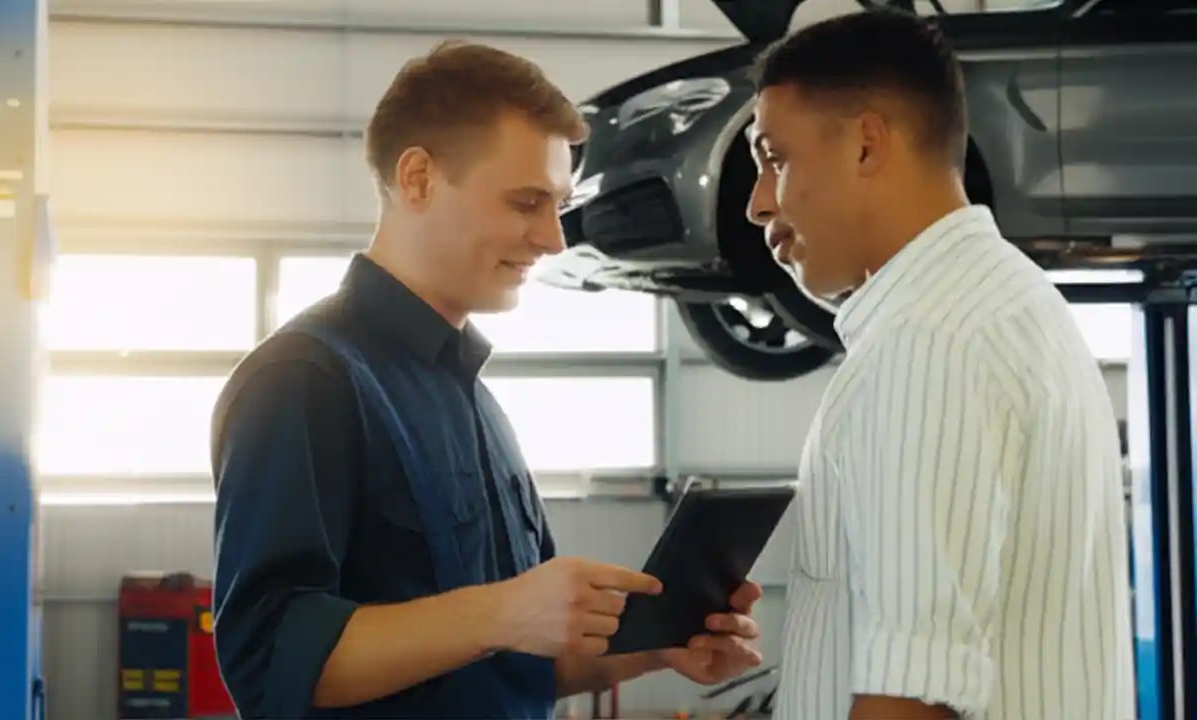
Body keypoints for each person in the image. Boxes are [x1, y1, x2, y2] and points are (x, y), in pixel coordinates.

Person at [209, 40, 764, 719]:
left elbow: (514, 663)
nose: (553, 239)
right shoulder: (304, 381)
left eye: (557, 205)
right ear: (417, 179)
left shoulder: (475, 401)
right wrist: (499, 611)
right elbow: (269, 664)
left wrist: (660, 646)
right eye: (526, 201)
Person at [742, 10, 1134, 720]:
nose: (757, 202)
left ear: (865, 145)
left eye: (774, 159)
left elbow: (916, 691)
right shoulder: (1012, 302)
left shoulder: (927, 341)